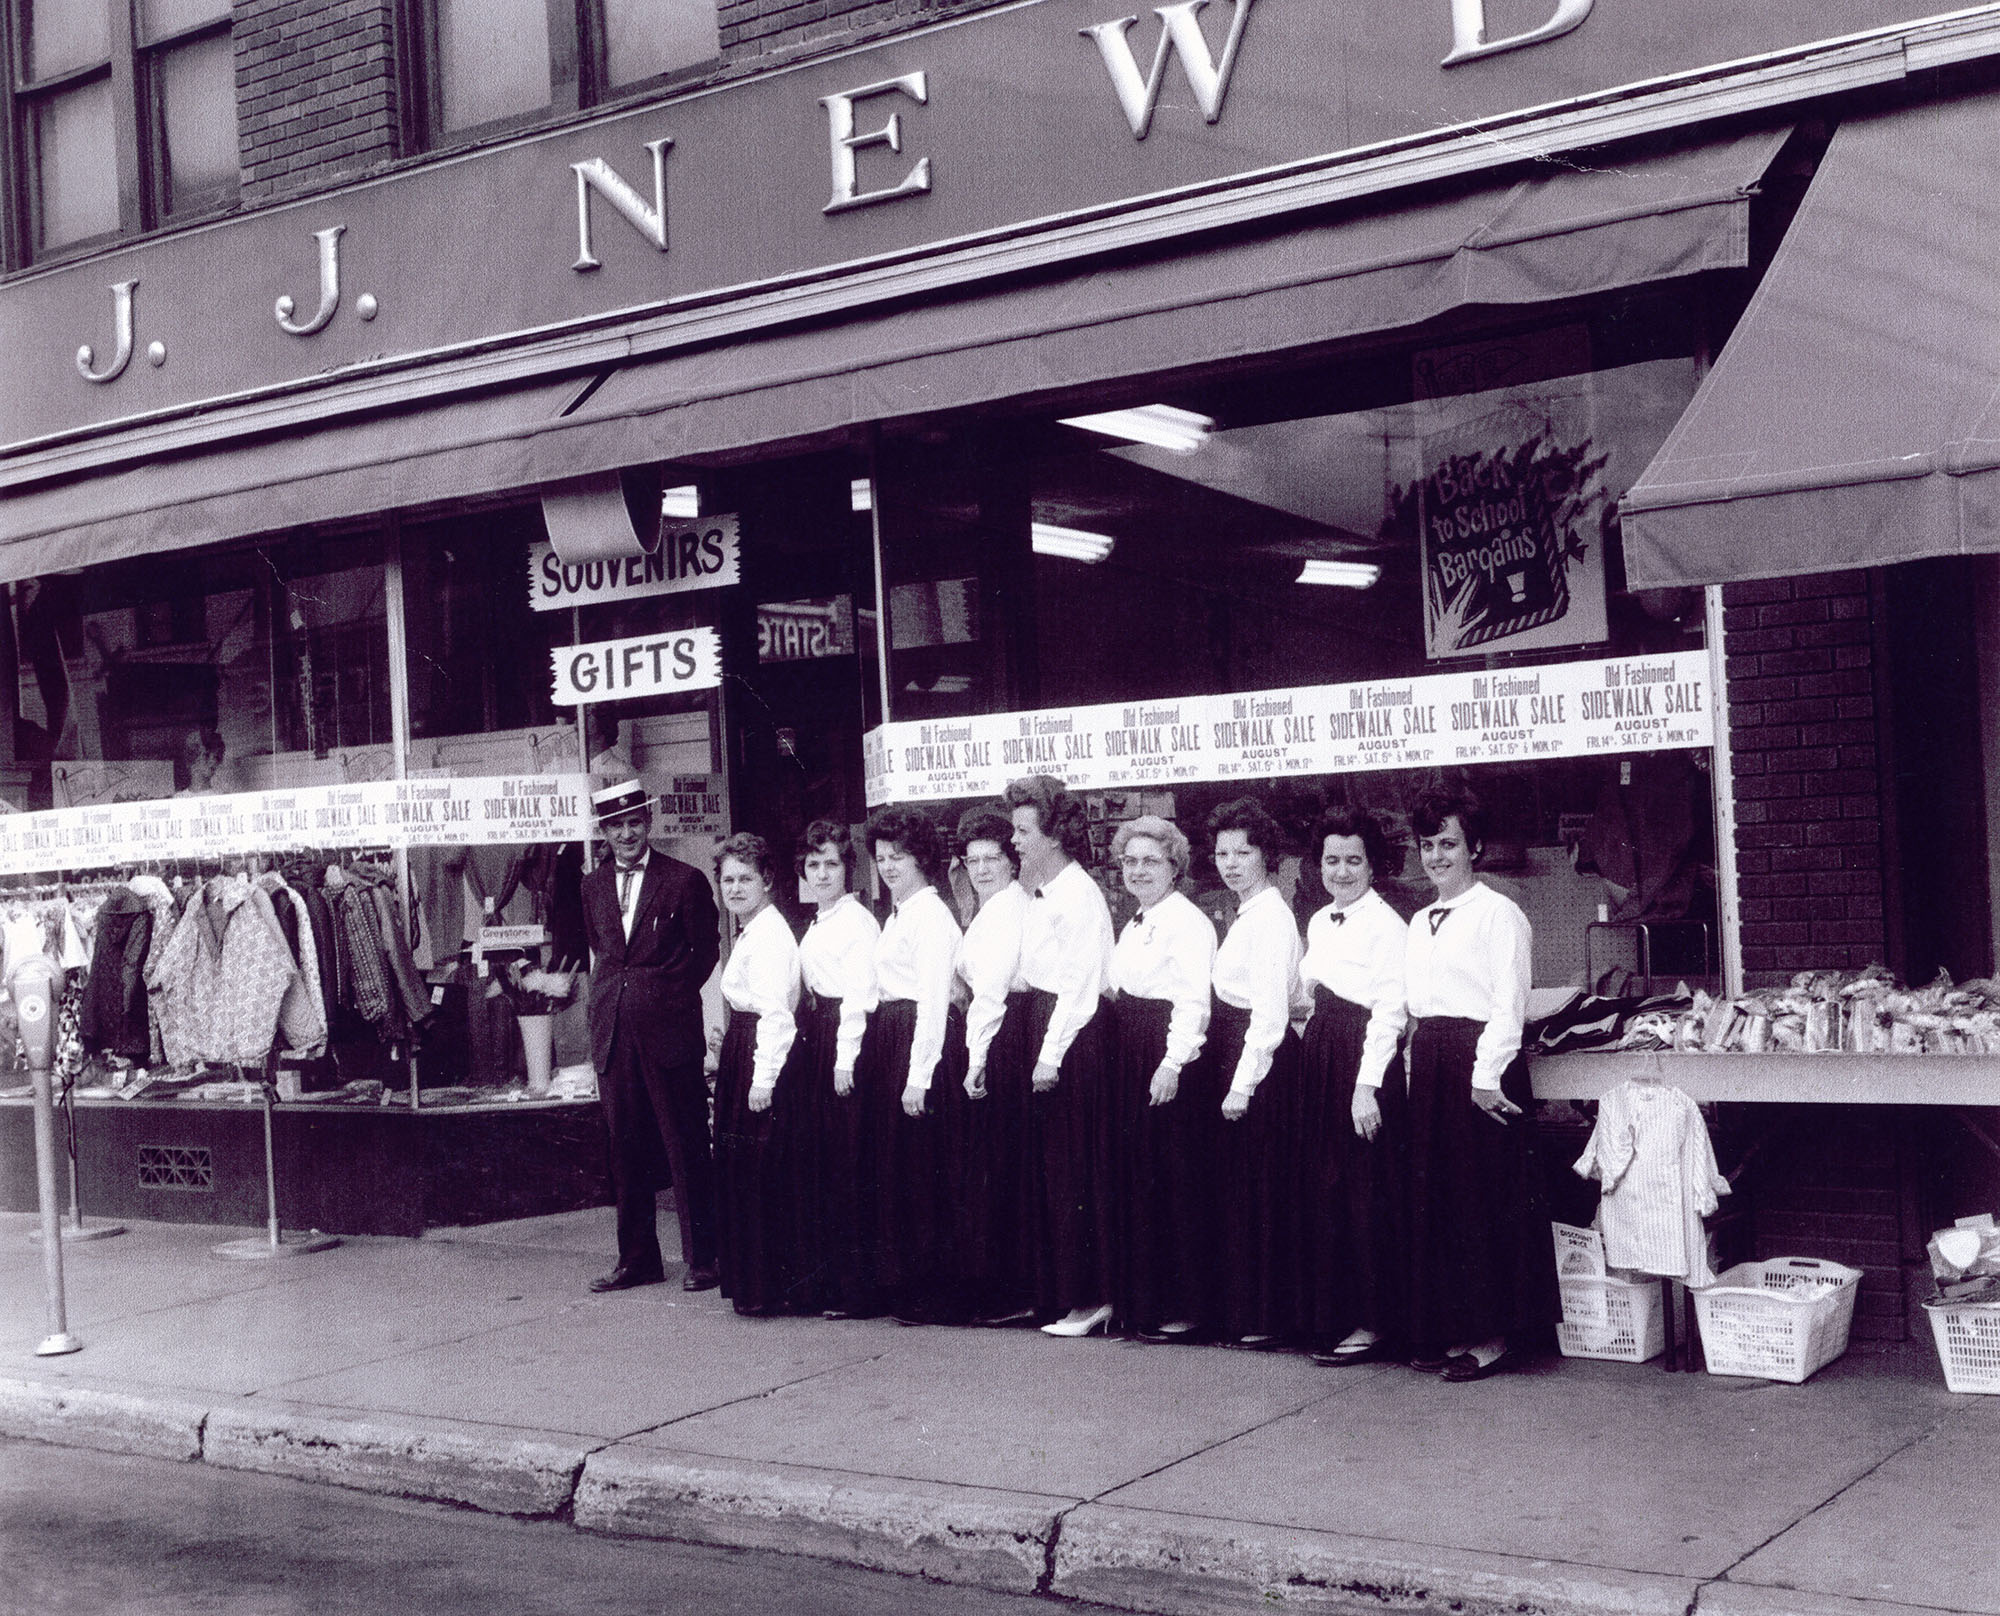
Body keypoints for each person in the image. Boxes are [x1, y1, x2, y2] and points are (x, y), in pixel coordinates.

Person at [1401, 784, 1558, 1381]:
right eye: (1428, 845)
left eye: (1449, 843)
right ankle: (1455, 1326)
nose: (1437, 856)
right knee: (1440, 1198)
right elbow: (1420, 1004)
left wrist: (1486, 1076)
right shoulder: (1419, 920)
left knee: (1482, 1198)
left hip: (1481, 1065)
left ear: (1476, 848)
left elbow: (1507, 1001)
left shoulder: (1500, 914)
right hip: (1435, 1061)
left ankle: (1495, 1336)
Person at [581, 777, 722, 1294]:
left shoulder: (684, 879)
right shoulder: (592, 885)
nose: (626, 834)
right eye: (616, 826)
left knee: (685, 1145)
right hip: (613, 1032)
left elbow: (705, 951)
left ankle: (704, 1258)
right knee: (625, 1148)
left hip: (668, 1034)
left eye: (634, 823)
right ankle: (637, 1258)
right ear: (604, 831)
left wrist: (664, 994)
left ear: (649, 823)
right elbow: (604, 950)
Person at [1004, 775, 1116, 1338]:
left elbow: (1080, 984)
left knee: (1073, 1169)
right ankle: (1060, 1293)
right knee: (1050, 1168)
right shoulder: (1040, 891)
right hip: (1042, 1028)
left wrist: (1049, 1055)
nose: (1015, 840)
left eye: (1025, 831)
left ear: (1053, 835)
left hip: (1069, 1039)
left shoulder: (1078, 895)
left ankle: (1089, 1297)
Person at [1297, 806, 1409, 1365]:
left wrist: (1365, 1087)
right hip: (1322, 1054)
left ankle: (1373, 1321)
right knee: (1327, 1188)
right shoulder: (1319, 921)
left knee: (1365, 1191)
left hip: (1362, 1061)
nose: (1341, 872)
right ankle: (1333, 1314)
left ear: (1373, 865)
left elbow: (1390, 1010)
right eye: (1332, 860)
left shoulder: (1388, 925)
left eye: (1353, 860)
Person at [1106, 814, 1217, 1343]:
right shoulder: (1137, 920)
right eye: (1131, 861)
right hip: (1131, 1047)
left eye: (1152, 861)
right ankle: (1146, 1303)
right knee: (1142, 1178)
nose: (1139, 870)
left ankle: (1188, 1307)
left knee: (1174, 1180)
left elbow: (1193, 1000)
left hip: (1166, 1053)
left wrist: (1172, 1064)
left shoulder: (1186, 921)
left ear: (1175, 866)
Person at [1206, 797, 1306, 1346]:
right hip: (1239, 1054)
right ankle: (1252, 1314)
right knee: (1246, 1190)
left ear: (1266, 855)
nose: (1231, 862)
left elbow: (1268, 1016)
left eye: (1243, 852)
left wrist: (1242, 1086)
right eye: (1223, 852)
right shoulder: (1247, 913)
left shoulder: (1271, 918)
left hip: (1260, 1065)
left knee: (1264, 1192)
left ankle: (1270, 1319)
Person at [862, 804, 964, 1323]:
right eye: (882, 857)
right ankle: (906, 1285)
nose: (889, 866)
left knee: (923, 1170)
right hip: (892, 1036)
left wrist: (918, 1077)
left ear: (921, 858)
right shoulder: (900, 911)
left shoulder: (930, 914)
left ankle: (933, 1291)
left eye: (899, 856)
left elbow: (932, 1001)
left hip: (918, 1042)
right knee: (901, 1168)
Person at [712, 833, 803, 1316]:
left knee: (758, 1171)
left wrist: (762, 1079)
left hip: (760, 1053)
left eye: (747, 877)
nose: (736, 887)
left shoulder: (768, 934)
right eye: (728, 879)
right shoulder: (752, 929)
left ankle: (768, 1286)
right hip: (743, 1050)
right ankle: (754, 1284)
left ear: (768, 880)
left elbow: (776, 1014)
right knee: (744, 1169)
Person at [951, 806, 1036, 1323]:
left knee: (1002, 1162)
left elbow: (991, 993)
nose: (983, 868)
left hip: (1004, 1036)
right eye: (974, 859)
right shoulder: (985, 909)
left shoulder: (1008, 908)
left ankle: (1012, 1289)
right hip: (996, 1032)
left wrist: (976, 1056)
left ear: (1011, 861)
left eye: (993, 858)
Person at [795, 820, 881, 1319]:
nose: (822, 873)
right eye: (813, 864)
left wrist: (844, 1058)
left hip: (846, 1037)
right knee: (831, 1162)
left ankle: (859, 1290)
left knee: (850, 1162)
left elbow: (858, 997)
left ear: (848, 869)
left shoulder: (855, 922)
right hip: (821, 1032)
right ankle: (837, 1281)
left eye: (831, 864)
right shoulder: (822, 918)